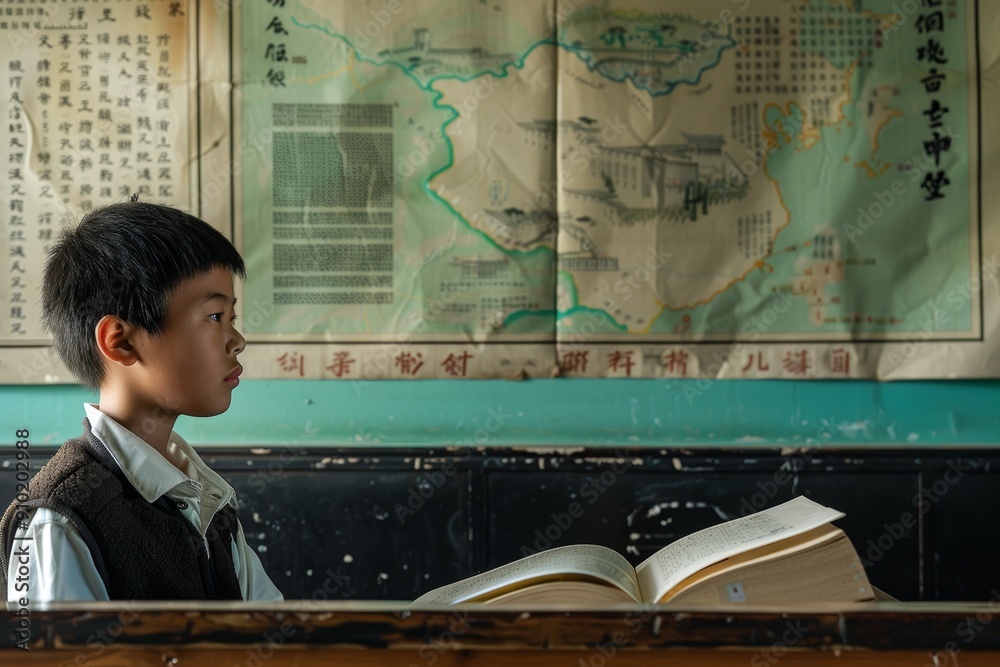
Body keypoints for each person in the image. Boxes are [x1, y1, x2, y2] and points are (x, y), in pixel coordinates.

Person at [1, 201, 283, 602]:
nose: (237, 341)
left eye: (232, 318)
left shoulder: (205, 496)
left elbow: (268, 635)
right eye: (215, 316)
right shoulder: (61, 519)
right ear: (121, 340)